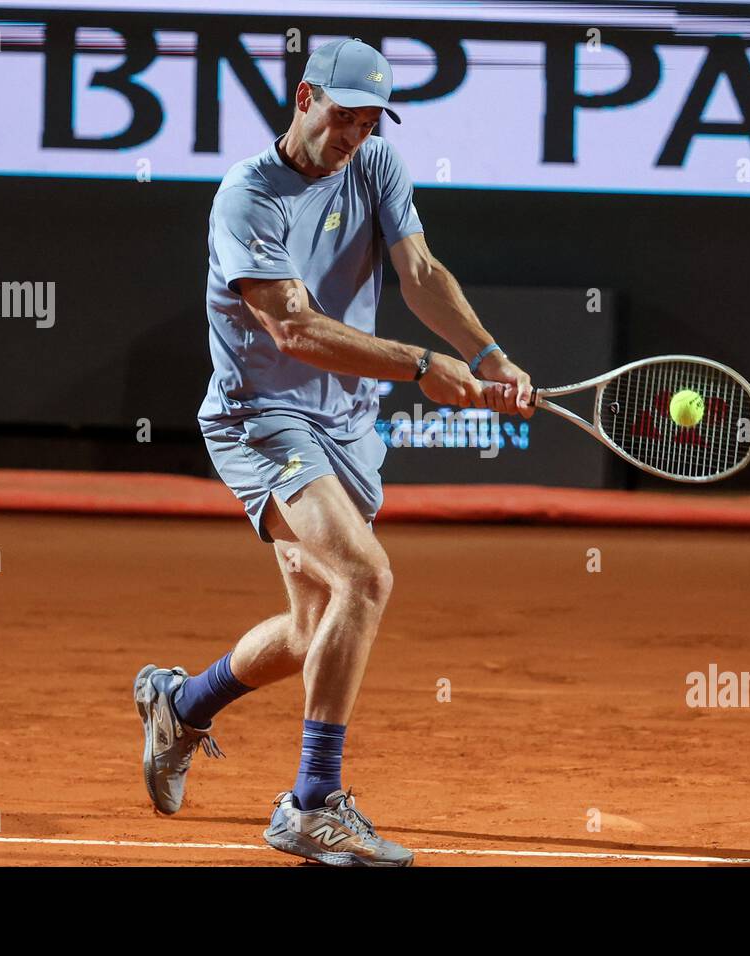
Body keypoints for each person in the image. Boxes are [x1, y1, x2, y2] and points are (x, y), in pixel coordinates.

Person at [135, 37, 533, 867]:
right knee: (366, 577)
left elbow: (418, 271)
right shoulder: (247, 197)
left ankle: (181, 703)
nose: (355, 133)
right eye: (344, 116)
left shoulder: (377, 164)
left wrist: (488, 356)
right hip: (262, 420)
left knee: (314, 625)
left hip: (347, 428)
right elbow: (293, 327)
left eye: (369, 120)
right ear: (306, 96)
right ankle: (311, 804)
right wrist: (421, 364)